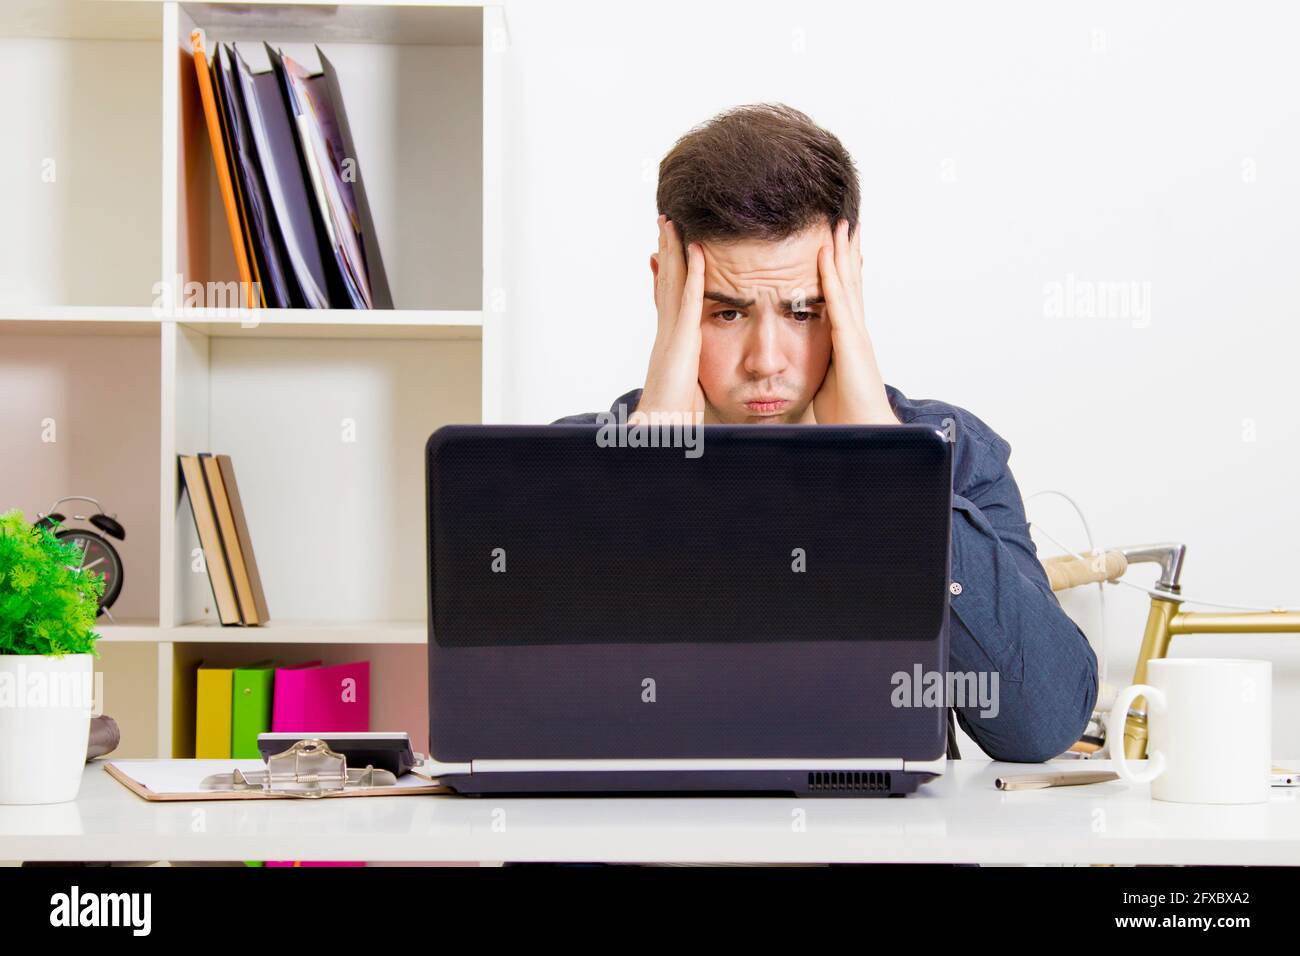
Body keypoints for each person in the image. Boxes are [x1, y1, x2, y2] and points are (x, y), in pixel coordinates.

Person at [553, 104, 1098, 763]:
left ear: (850, 290)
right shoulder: (569, 465)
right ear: (666, 291)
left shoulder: (948, 452)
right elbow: (543, 716)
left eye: (803, 310)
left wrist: (890, 471)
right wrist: (651, 475)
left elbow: (1039, 725)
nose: (766, 360)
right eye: (726, 312)